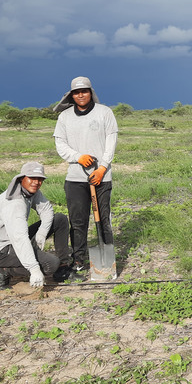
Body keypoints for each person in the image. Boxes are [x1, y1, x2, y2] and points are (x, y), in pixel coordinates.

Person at [53, 76, 118, 275]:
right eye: (76, 92)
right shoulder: (64, 117)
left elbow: (111, 142)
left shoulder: (105, 112)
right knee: (78, 221)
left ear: (91, 92)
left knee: (103, 220)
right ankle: (79, 260)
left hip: (102, 177)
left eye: (84, 91)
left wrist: (102, 168)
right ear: (71, 95)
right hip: (75, 178)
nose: (81, 95)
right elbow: (60, 144)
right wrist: (78, 157)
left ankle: (108, 263)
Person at [0, 161, 73, 289]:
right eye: (32, 178)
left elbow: (47, 210)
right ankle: (3, 270)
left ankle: (63, 267)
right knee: (51, 264)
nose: (36, 182)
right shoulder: (14, 204)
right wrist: (34, 268)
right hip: (2, 250)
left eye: (40, 179)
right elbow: (19, 238)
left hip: (16, 237)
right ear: (22, 178)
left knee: (59, 219)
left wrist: (42, 233)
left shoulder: (30, 191)